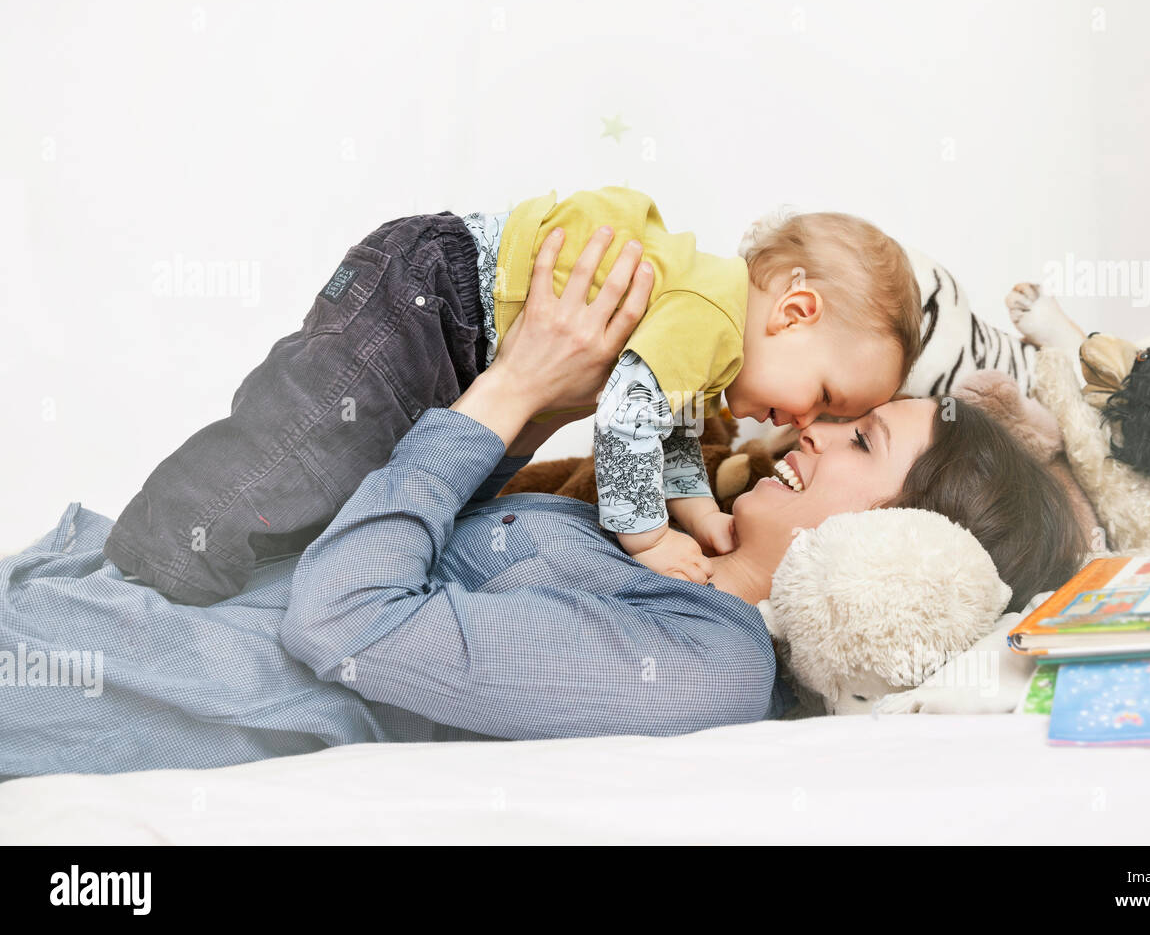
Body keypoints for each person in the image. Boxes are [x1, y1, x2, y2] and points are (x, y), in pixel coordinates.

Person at [0, 229, 1083, 778]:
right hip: (86, 599)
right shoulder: (673, 540)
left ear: (898, 547)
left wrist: (508, 386)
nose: (810, 429)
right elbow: (416, 534)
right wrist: (536, 405)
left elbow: (346, 619)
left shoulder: (706, 661)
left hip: (127, 677)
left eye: (859, 437)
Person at [104, 189, 924, 604]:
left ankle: (202, 569)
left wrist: (703, 517)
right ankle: (154, 559)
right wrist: (646, 542)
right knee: (301, 444)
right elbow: (634, 418)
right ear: (794, 310)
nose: (803, 424)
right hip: (438, 293)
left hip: (445, 314)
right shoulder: (712, 312)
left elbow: (668, 436)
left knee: (341, 471)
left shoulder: (706, 351)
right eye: (824, 397)